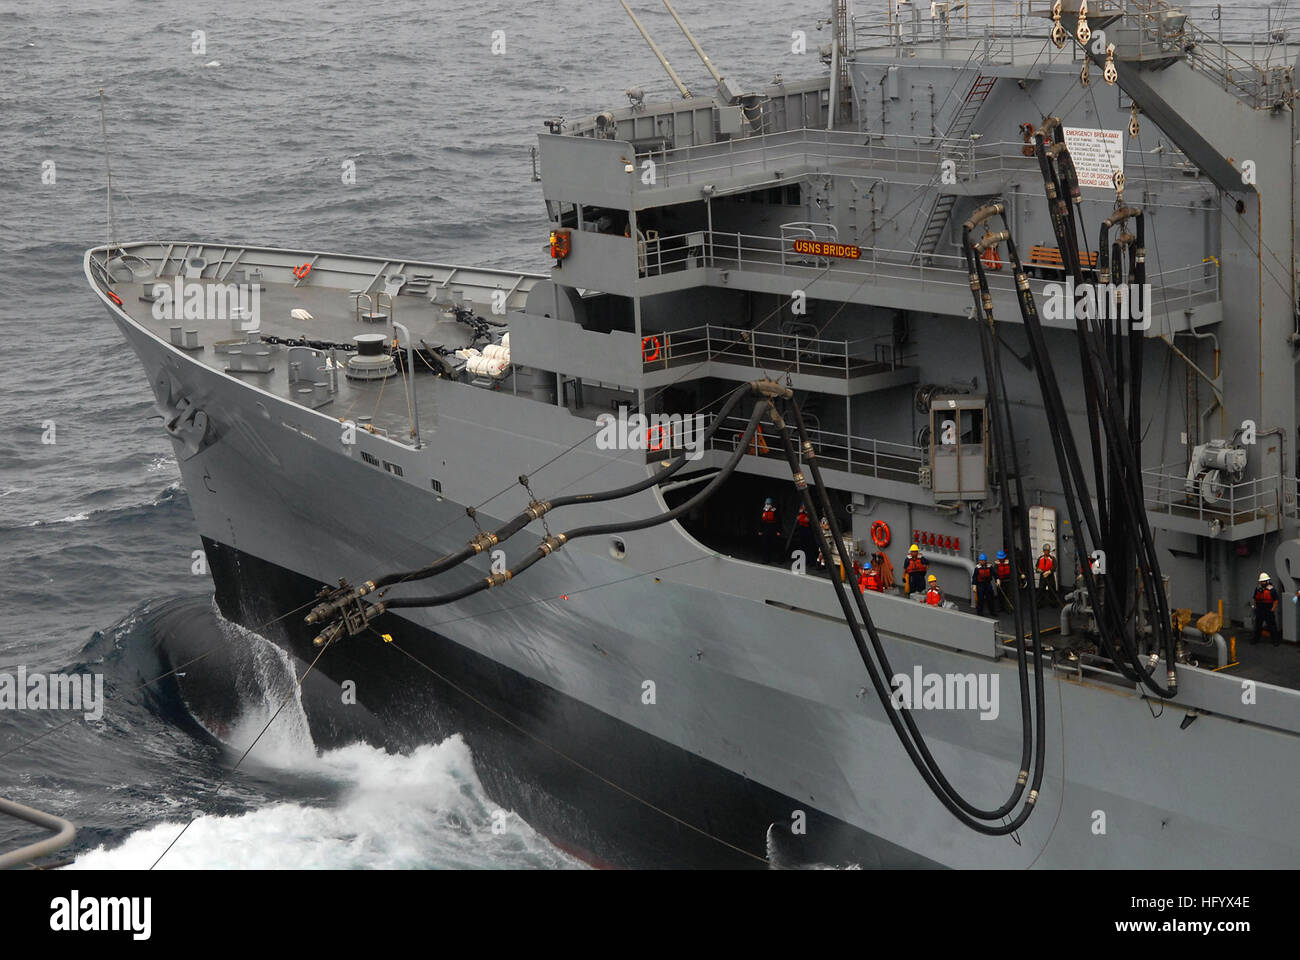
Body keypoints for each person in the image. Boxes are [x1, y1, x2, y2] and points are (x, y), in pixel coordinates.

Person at [1253, 572, 1280, 646]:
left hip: (1268, 609)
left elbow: (1276, 600)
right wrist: (1255, 607)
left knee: (1272, 626)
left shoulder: (1272, 590)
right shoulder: (1258, 589)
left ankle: (1275, 640)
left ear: (1267, 581)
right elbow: (1255, 598)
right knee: (1258, 625)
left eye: (1264, 581)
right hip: (1259, 609)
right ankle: (1255, 639)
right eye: (1261, 581)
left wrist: (1272, 609)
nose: (1263, 582)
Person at [971, 553, 996, 617]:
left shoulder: (989, 567)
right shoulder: (977, 568)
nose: (983, 562)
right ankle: (979, 612)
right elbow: (974, 577)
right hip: (980, 585)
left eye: (984, 560)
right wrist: (974, 585)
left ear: (986, 561)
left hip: (987, 584)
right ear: (979, 561)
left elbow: (994, 574)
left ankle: (992, 611)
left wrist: (997, 579)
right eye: (981, 560)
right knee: (980, 599)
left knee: (990, 598)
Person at [758, 497, 779, 563]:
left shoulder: (775, 511)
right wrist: (760, 530)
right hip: (765, 530)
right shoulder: (763, 511)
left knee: (774, 544)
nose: (767, 505)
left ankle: (776, 559)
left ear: (771, 504)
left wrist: (778, 531)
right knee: (765, 545)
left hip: (773, 530)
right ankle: (766, 559)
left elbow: (778, 521)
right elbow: (761, 521)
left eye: (769, 503)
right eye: (766, 503)